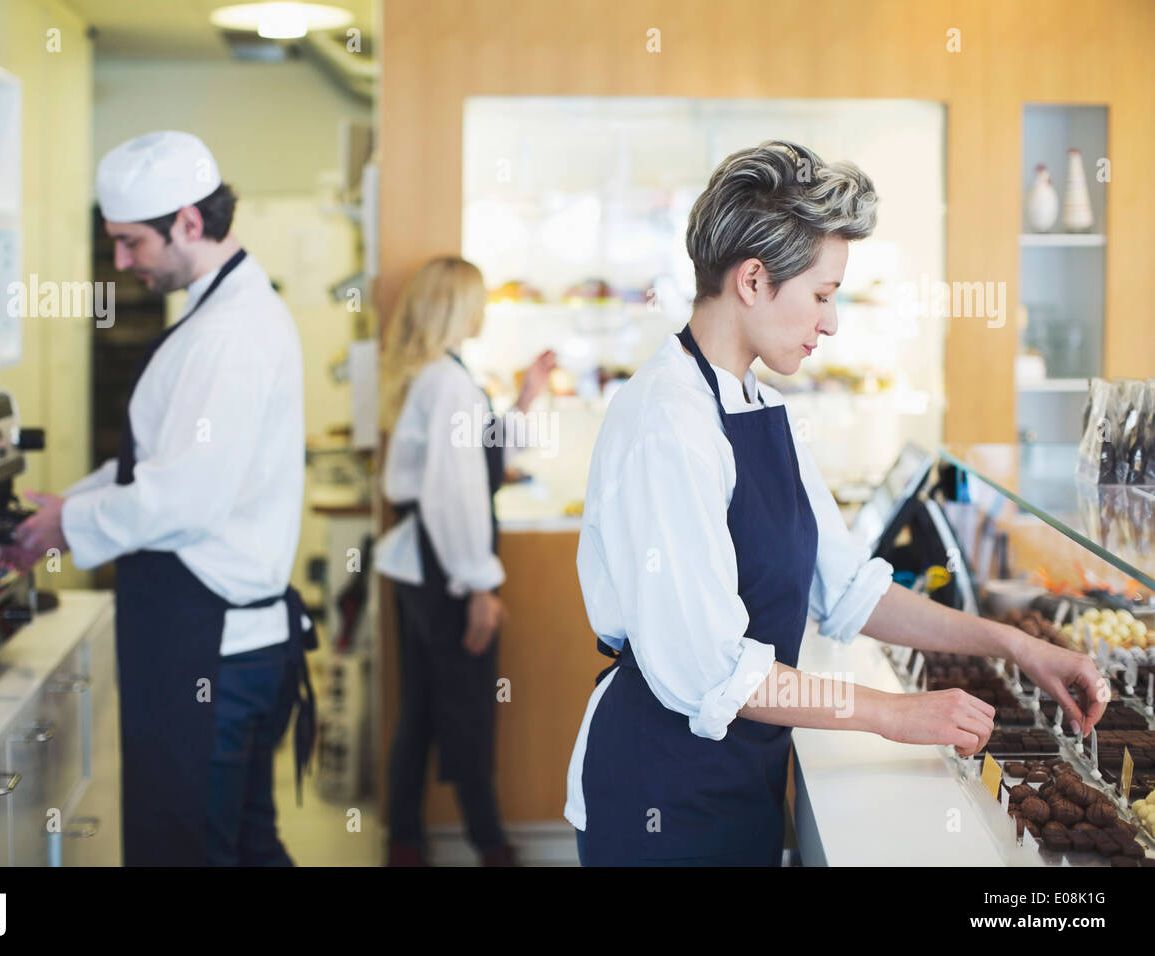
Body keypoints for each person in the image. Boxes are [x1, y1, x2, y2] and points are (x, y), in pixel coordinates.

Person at [564, 140, 1108, 867]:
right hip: (661, 794)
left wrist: (1016, 645)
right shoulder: (668, 423)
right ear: (753, 280)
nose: (832, 322)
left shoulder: (762, 406)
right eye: (822, 295)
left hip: (744, 781)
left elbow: (850, 590)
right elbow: (713, 672)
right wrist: (891, 713)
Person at [2, 130, 313, 867]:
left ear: (190, 223)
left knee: (186, 850)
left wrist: (67, 525)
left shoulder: (229, 334)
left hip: (211, 652)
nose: (120, 263)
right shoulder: (219, 311)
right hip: (229, 645)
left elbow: (183, 500)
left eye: (130, 243)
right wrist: (60, 512)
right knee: (240, 845)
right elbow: (161, 463)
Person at [375, 256, 555, 866]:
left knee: (423, 708)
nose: (484, 311)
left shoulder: (439, 376)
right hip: (446, 567)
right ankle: (490, 845)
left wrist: (526, 399)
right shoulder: (448, 383)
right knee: (469, 709)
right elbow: (455, 493)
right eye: (477, 299)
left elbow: (477, 459)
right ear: (458, 306)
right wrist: (479, 584)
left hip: (423, 565)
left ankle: (405, 840)